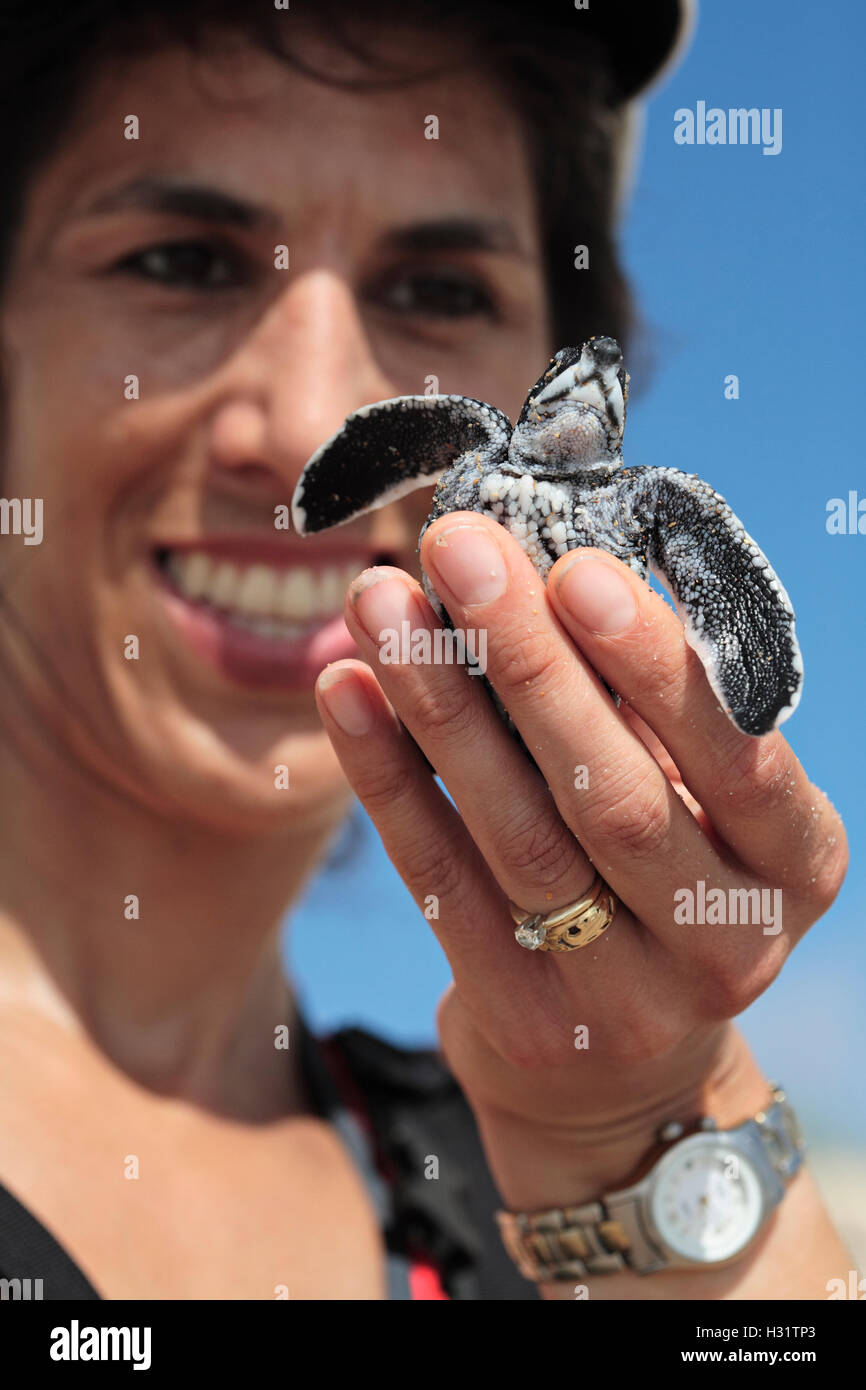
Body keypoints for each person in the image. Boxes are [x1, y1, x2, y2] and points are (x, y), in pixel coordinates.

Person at [0, 0, 851, 1301]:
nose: (307, 417)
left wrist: (638, 1126)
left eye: (437, 291)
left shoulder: (502, 1187)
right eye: (183, 262)